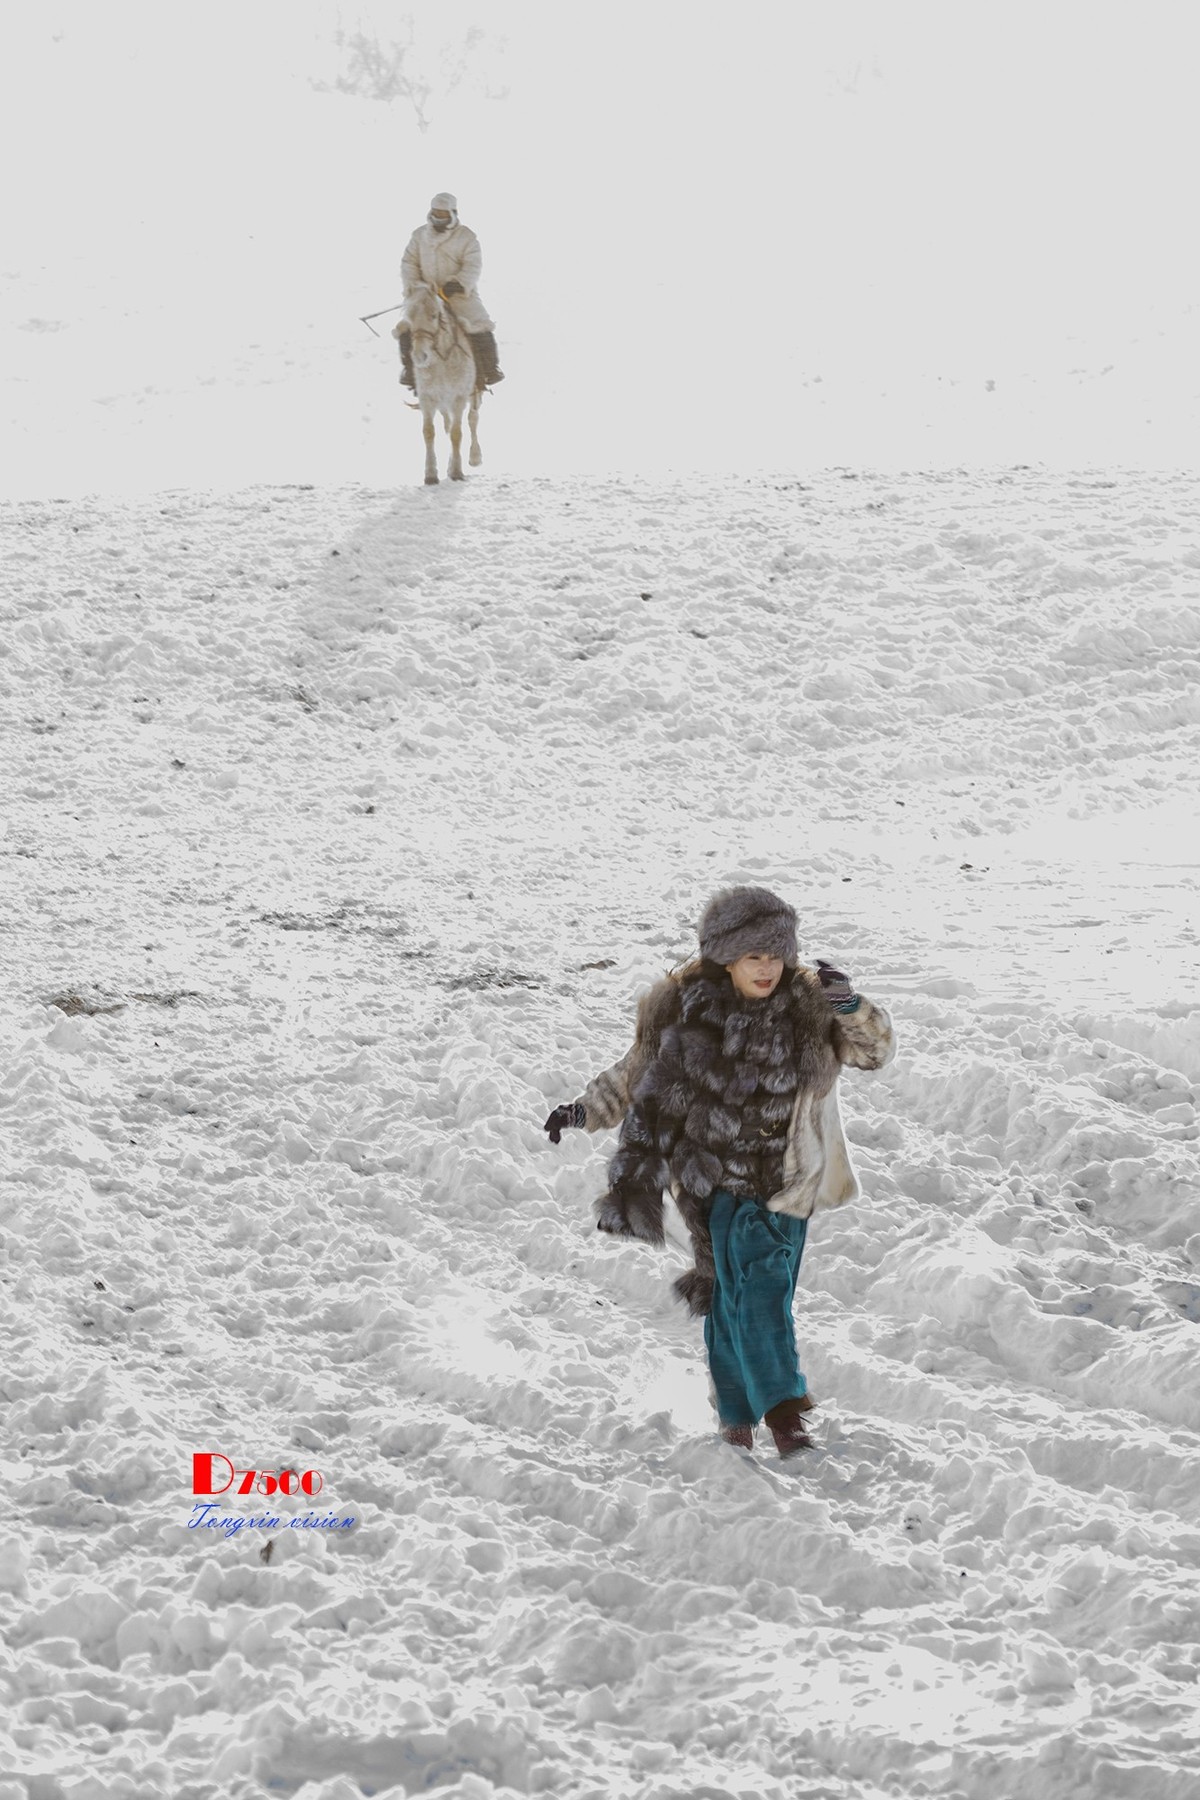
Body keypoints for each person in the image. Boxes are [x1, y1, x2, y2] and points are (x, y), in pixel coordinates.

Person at [543, 886, 895, 1460]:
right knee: (752, 1291)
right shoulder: (684, 1009)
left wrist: (851, 1008)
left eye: (776, 955)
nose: (767, 968)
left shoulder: (811, 1009)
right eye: (753, 955)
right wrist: (583, 1110)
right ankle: (783, 1417)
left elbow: (875, 1053)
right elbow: (636, 1074)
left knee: (746, 1297)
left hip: (789, 1182)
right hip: (715, 1186)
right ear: (726, 956)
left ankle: (735, 1417)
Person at [397, 191, 505, 393]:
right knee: (407, 328)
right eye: (435, 212)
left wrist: (457, 284)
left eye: (443, 213)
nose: (438, 216)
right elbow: (408, 263)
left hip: (459, 296)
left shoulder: (467, 237)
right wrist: (418, 288)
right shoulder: (419, 235)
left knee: (480, 327)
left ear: (453, 213)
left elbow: (473, 265)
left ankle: (491, 369)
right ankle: (410, 371)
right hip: (425, 297)